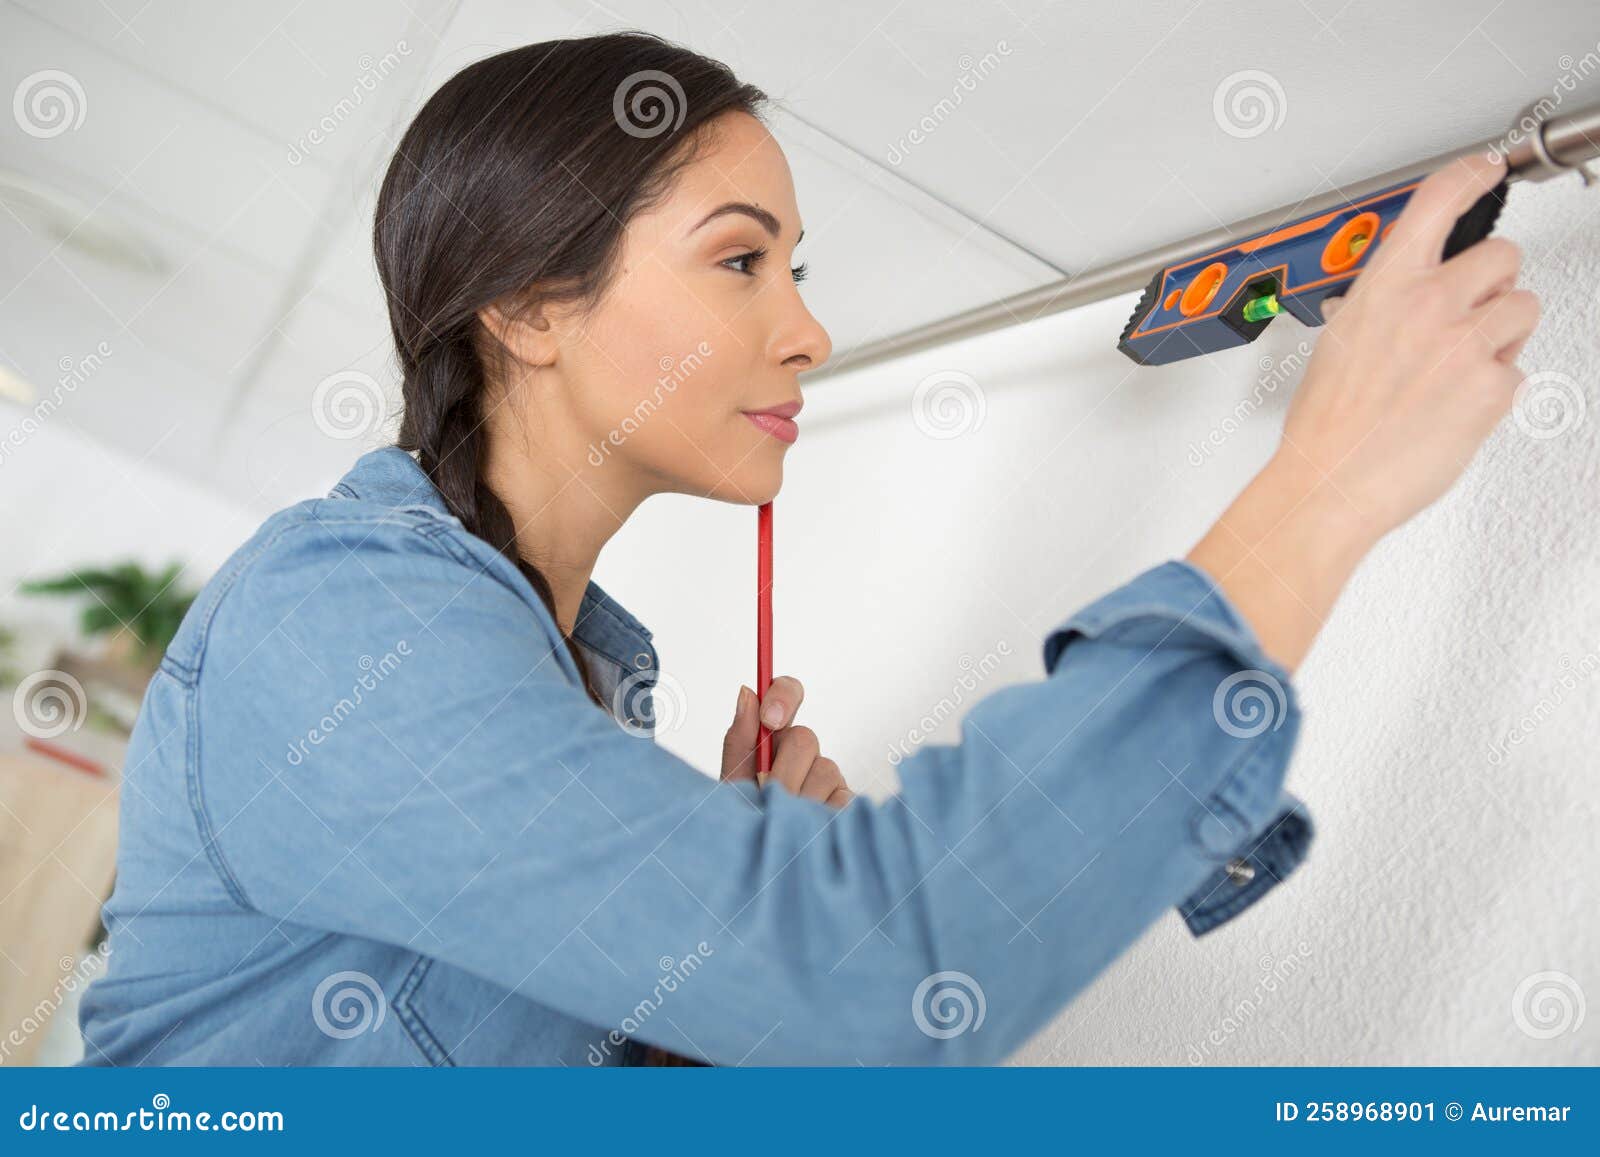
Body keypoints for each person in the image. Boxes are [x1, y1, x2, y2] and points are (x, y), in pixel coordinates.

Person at [77, 31, 1538, 1066]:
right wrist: (1326, 485)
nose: (809, 328)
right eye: (739, 259)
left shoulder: (569, 676)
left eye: (799, 268)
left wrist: (684, 974)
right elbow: (877, 978)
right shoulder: (340, 623)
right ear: (524, 307)